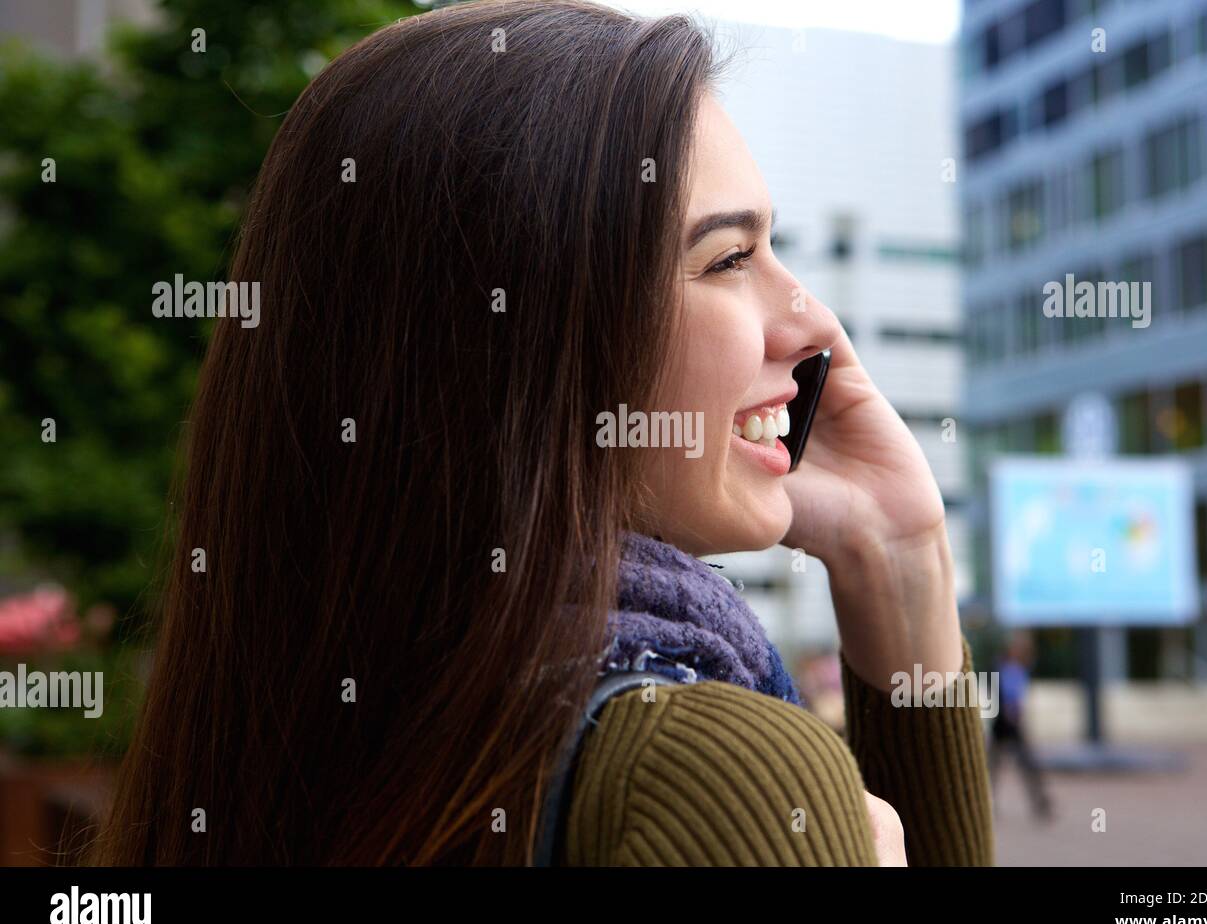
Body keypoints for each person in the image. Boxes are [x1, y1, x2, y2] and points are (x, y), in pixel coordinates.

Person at [90, 0, 993, 866]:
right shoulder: (704, 768)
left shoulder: (306, 704)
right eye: (727, 258)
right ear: (520, 340)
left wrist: (891, 547)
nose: (813, 326)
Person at [989, 632, 1054, 822]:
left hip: (1014, 724)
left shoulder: (1019, 668)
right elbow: (1001, 693)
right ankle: (984, 804)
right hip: (1002, 724)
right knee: (993, 768)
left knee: (1026, 764)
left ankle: (1041, 802)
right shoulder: (1001, 666)